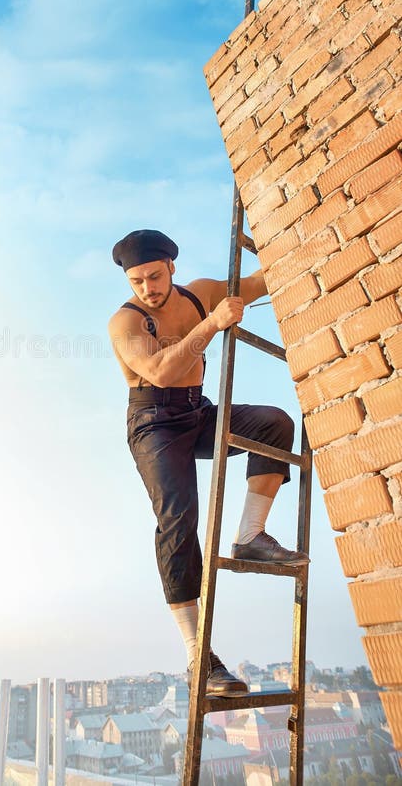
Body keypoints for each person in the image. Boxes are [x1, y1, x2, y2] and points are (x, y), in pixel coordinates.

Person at [108, 229, 309, 696]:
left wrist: (288, 243)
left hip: (196, 411)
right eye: (137, 281)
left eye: (154, 277)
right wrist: (213, 324)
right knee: (179, 518)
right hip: (153, 422)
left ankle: (251, 536)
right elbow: (160, 371)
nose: (147, 289)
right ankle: (200, 655)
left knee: (275, 425)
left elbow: (258, 284)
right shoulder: (125, 322)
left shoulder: (201, 294)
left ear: (172, 268)